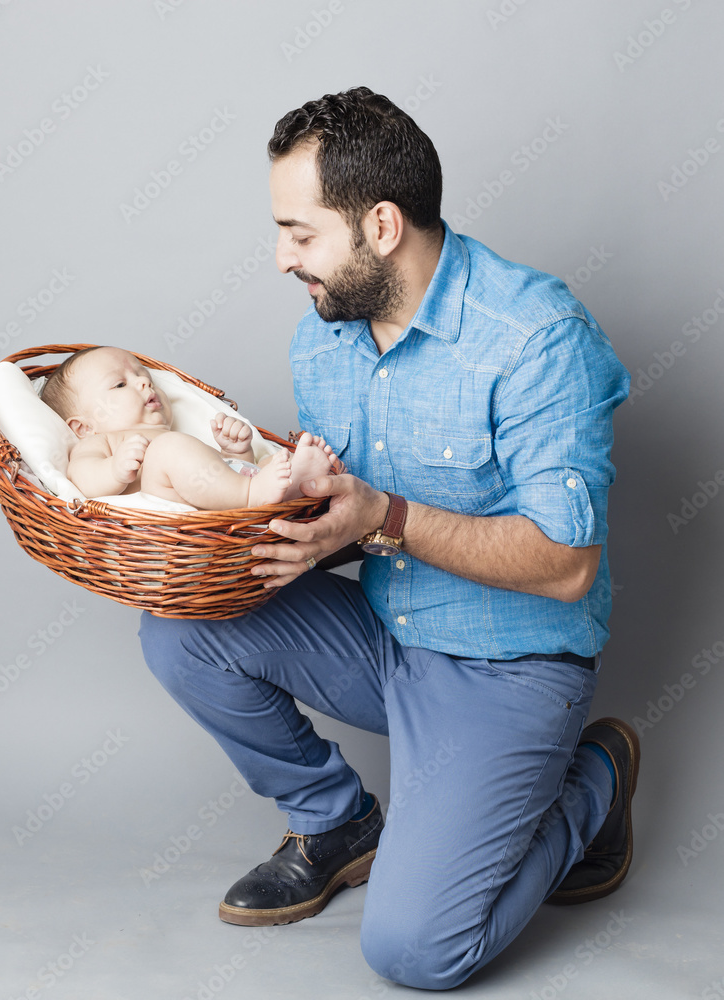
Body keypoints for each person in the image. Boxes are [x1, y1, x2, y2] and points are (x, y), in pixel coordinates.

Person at [138, 88, 638, 990]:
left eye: (299, 233)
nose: (280, 258)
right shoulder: (322, 337)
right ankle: (335, 821)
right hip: (384, 641)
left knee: (413, 951)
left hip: (509, 668)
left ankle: (590, 779)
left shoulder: (535, 338)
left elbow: (567, 566)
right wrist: (263, 508)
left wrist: (383, 518)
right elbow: (344, 515)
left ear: (379, 224)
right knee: (179, 624)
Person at [41, 345, 337, 507]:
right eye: (120, 384)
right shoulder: (98, 442)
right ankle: (252, 494)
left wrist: (235, 454)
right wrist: (115, 468)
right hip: (166, 503)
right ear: (83, 427)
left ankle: (297, 484)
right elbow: (80, 477)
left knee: (272, 458)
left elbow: (212, 475)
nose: (144, 382)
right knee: (169, 450)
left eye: (144, 376)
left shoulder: (177, 436)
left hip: (213, 499)